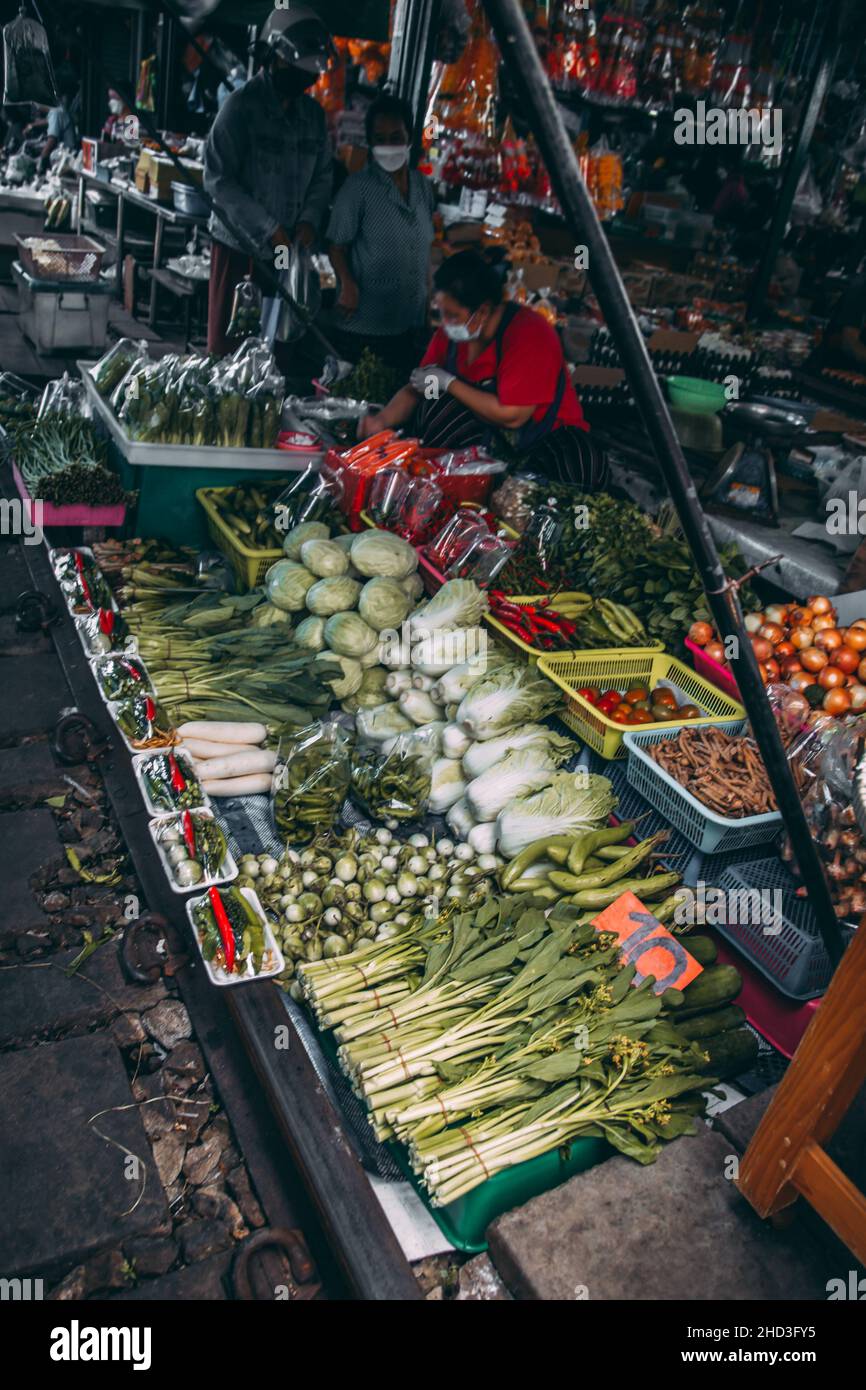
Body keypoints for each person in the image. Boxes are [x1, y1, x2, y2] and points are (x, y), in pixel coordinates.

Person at [358, 250, 607, 488]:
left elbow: (513, 415)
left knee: (582, 467)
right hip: (486, 440)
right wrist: (382, 420)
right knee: (434, 404)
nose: (445, 323)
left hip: (544, 441)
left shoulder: (529, 334)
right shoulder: (452, 335)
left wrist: (450, 383)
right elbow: (418, 389)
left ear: (484, 310)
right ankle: (443, 486)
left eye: (453, 315)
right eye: (442, 313)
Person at [203, 5, 334, 357]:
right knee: (231, 347)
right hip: (241, 248)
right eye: (297, 69)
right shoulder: (239, 109)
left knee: (275, 342)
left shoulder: (314, 119)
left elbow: (323, 177)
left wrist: (308, 220)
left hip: (286, 252)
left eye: (311, 72)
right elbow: (218, 182)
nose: (305, 78)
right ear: (272, 58)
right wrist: (269, 228)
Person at [326, 94, 436, 367]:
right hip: (365, 327)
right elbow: (336, 246)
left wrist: (431, 295)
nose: (389, 146)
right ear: (371, 142)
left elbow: (428, 246)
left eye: (396, 137)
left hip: (409, 324)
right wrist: (347, 284)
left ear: (410, 137)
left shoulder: (422, 187)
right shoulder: (356, 189)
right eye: (380, 139)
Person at [38, 73, 79, 174]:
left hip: (65, 160)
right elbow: (49, 121)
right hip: (66, 157)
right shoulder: (57, 110)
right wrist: (33, 125)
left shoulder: (56, 112)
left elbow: (52, 140)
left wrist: (41, 161)